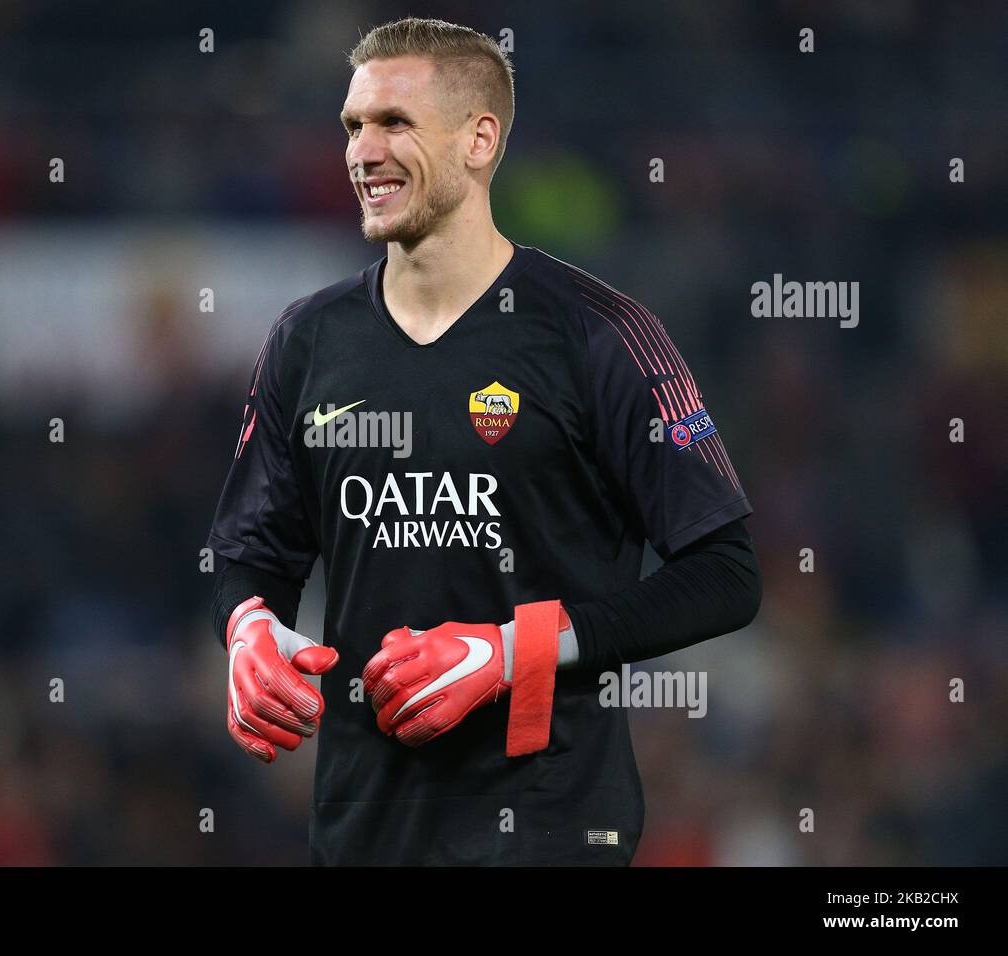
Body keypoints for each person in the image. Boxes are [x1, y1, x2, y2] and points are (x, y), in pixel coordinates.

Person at [206, 16, 761, 865]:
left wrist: (513, 652)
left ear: (479, 138)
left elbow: (726, 575)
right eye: (354, 127)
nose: (363, 152)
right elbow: (250, 554)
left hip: (549, 827)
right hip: (361, 827)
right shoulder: (308, 341)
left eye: (395, 124)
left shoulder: (601, 335)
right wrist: (249, 627)